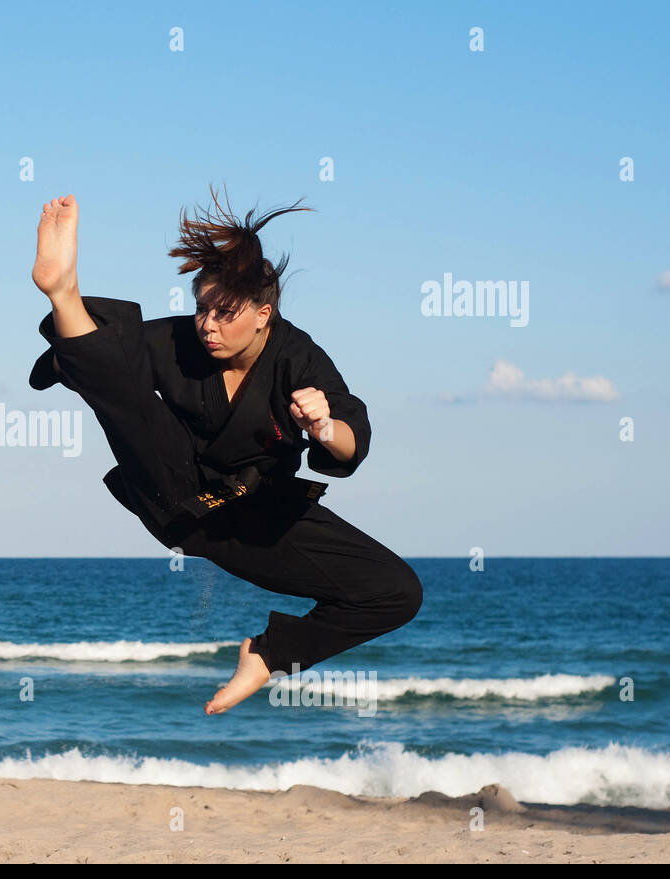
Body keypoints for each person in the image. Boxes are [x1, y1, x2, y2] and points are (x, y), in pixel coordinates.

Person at [29, 186, 422, 715]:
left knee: (398, 592)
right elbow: (97, 365)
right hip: (174, 492)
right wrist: (66, 312)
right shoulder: (179, 342)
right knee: (124, 391)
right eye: (201, 309)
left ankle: (269, 656)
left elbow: (351, 442)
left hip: (258, 517)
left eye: (224, 313)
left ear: (264, 313)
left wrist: (324, 426)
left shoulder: (298, 357)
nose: (208, 325)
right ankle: (64, 291)